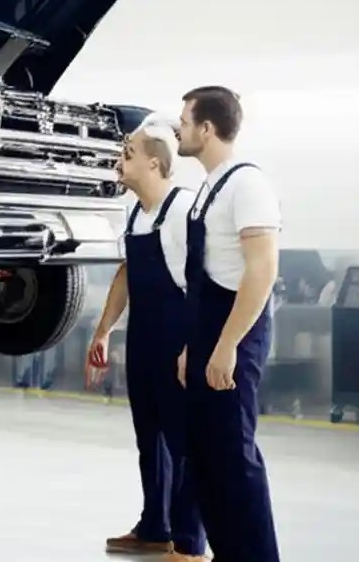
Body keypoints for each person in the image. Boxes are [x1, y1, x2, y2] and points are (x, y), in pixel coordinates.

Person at [86, 115, 207, 561]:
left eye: (129, 154)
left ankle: (191, 544)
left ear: (155, 164)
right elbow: (126, 274)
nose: (120, 160)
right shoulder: (135, 212)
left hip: (177, 337)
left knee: (183, 441)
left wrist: (194, 346)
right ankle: (155, 527)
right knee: (149, 437)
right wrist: (103, 331)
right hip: (143, 338)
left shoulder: (184, 210)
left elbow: (200, 283)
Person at [175, 85, 282, 562]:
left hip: (235, 331)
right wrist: (192, 347)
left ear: (207, 128)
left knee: (233, 457)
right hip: (206, 330)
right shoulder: (209, 187)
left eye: (184, 119)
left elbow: (261, 270)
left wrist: (227, 346)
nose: (179, 128)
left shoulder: (247, 184)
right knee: (202, 454)